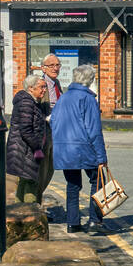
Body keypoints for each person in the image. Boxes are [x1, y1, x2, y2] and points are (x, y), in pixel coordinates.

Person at [49, 64, 108, 232]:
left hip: (64, 150)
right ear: (90, 79)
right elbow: (94, 130)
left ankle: (73, 224)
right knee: (98, 181)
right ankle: (94, 221)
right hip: (83, 148)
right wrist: (102, 157)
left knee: (73, 185)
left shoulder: (63, 98)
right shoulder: (88, 98)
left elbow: (53, 121)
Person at [6, 71, 48, 205]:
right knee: (31, 182)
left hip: (24, 149)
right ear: (31, 88)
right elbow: (26, 129)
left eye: (45, 87)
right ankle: (30, 215)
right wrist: (37, 148)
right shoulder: (27, 102)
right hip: (25, 150)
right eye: (41, 87)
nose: (44, 90)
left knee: (24, 180)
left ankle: (19, 213)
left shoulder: (32, 102)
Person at [37, 54, 63, 211]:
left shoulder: (56, 83)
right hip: (44, 133)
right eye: (51, 65)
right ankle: (36, 207)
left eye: (58, 65)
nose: (55, 68)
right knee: (42, 171)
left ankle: (37, 205)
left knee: (50, 169)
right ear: (43, 68)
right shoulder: (41, 84)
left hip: (55, 132)